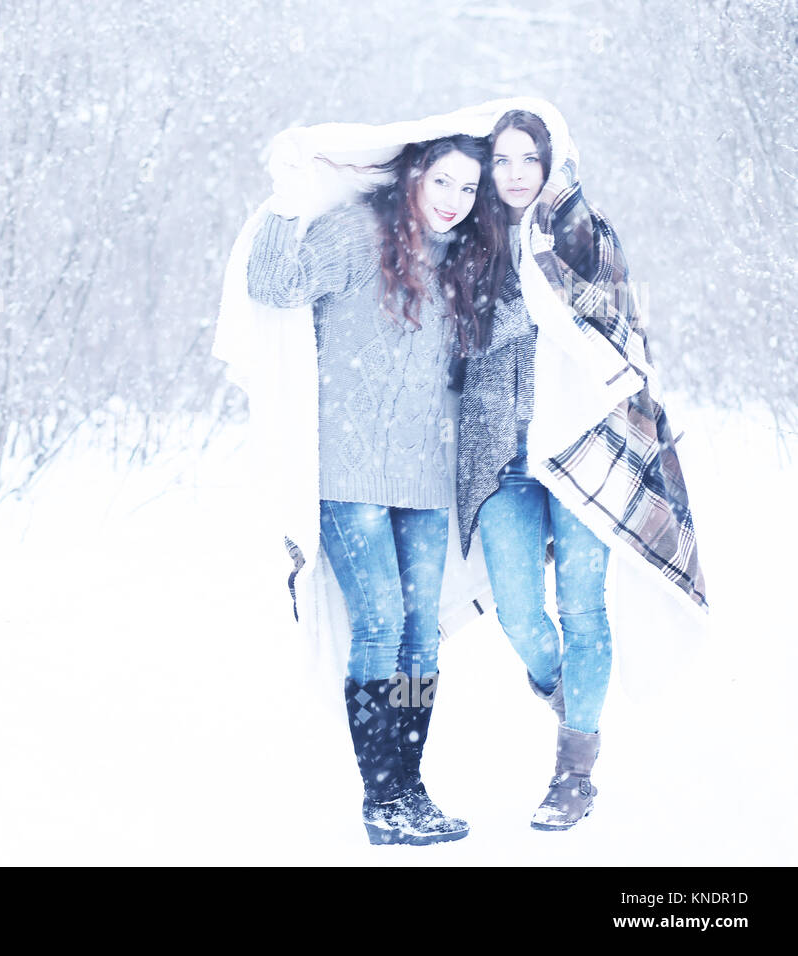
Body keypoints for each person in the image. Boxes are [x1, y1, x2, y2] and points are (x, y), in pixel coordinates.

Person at [246, 134, 501, 845]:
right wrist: (284, 202)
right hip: (349, 471)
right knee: (382, 624)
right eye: (442, 181)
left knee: (422, 637)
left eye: (467, 189)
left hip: (424, 475)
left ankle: (410, 787)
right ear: (414, 173)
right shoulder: (358, 232)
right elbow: (274, 285)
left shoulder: (465, 262)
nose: (453, 201)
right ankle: (381, 798)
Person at [456, 108, 706, 830]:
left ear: (551, 160)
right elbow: (463, 332)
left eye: (526, 159)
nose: (512, 174)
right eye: (500, 159)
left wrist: (537, 292)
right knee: (518, 612)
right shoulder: (471, 239)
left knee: (585, 612)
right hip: (498, 452)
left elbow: (614, 329)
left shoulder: (582, 233)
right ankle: (568, 695)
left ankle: (574, 772)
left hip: (581, 448)